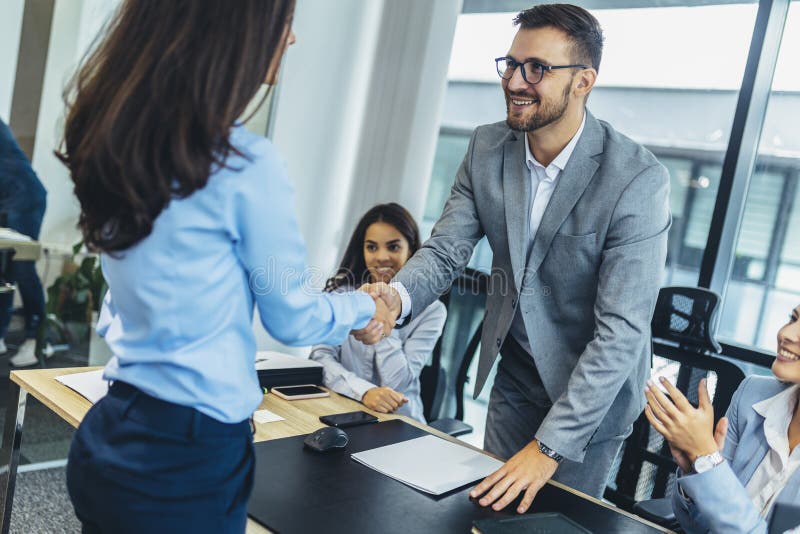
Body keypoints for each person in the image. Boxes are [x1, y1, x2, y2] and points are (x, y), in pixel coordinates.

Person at [56, 1, 392, 532]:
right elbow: (293, 317)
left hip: (114, 428)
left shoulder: (123, 143)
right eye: (285, 21)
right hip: (187, 455)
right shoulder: (242, 163)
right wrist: (363, 305)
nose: (291, 38)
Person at [363, 3, 670, 513]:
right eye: (510, 64)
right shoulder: (487, 147)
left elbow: (622, 330)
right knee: (490, 512)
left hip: (591, 399)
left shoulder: (636, 179)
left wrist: (548, 448)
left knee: (554, 524)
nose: (514, 81)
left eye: (537, 68)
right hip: (517, 377)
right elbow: (446, 250)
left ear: (583, 81)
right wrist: (394, 299)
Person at [645, 304, 800, 533]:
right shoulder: (751, 394)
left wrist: (708, 462)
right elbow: (700, 527)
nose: (785, 334)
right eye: (793, 319)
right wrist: (695, 469)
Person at [310, 203, 446, 423]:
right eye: (372, 247)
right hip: (341, 410)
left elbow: (398, 383)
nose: (381, 257)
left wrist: (382, 314)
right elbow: (320, 358)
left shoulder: (432, 311)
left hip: (400, 422)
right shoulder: (343, 295)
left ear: (411, 249)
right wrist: (364, 391)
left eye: (393, 247)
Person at [0, 117, 47, 367]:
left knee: (22, 266)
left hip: (26, 196)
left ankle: (35, 340)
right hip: (6, 200)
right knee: (3, 269)